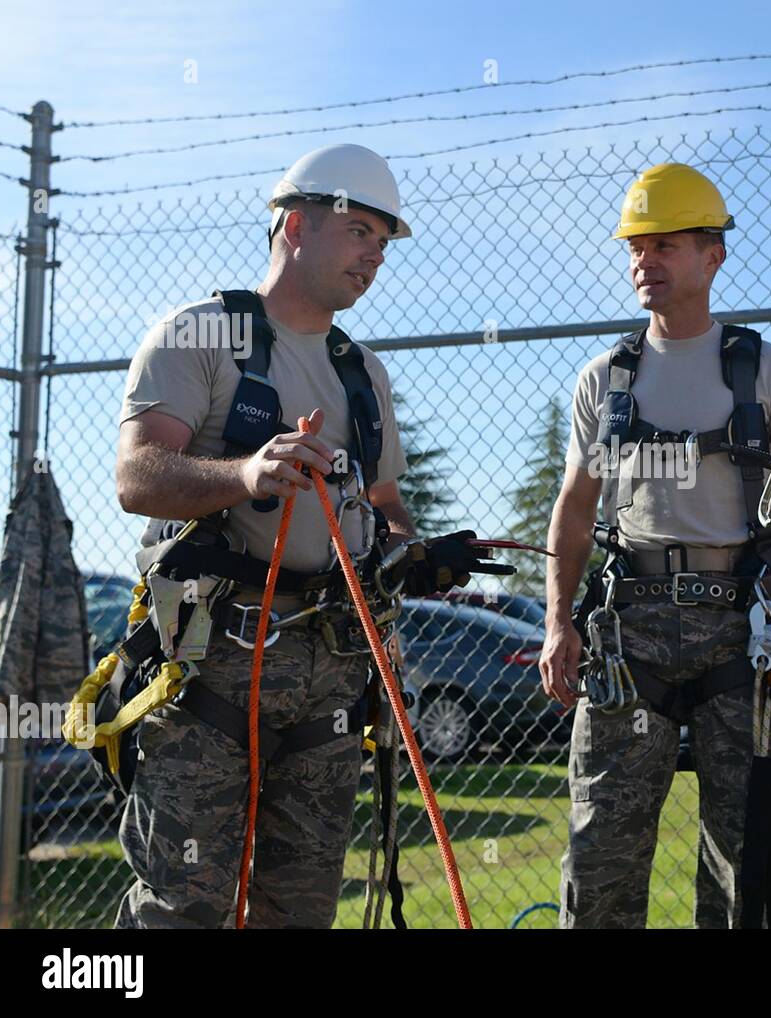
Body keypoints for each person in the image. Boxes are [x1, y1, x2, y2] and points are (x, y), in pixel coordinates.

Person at [112, 144, 493, 928]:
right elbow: (138, 476)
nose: (374, 256)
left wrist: (415, 557)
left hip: (330, 677)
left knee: (301, 909)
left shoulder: (363, 374)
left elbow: (385, 507)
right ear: (294, 224)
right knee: (183, 908)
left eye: (384, 243)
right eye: (360, 232)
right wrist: (245, 475)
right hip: (213, 673)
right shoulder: (200, 335)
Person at [539, 162, 771, 928]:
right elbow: (573, 512)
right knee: (600, 856)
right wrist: (557, 621)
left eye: (667, 245)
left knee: (746, 861)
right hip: (628, 631)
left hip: (742, 636)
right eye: (636, 247)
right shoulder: (604, 380)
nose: (646, 261)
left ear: (713, 256)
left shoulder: (766, 371)